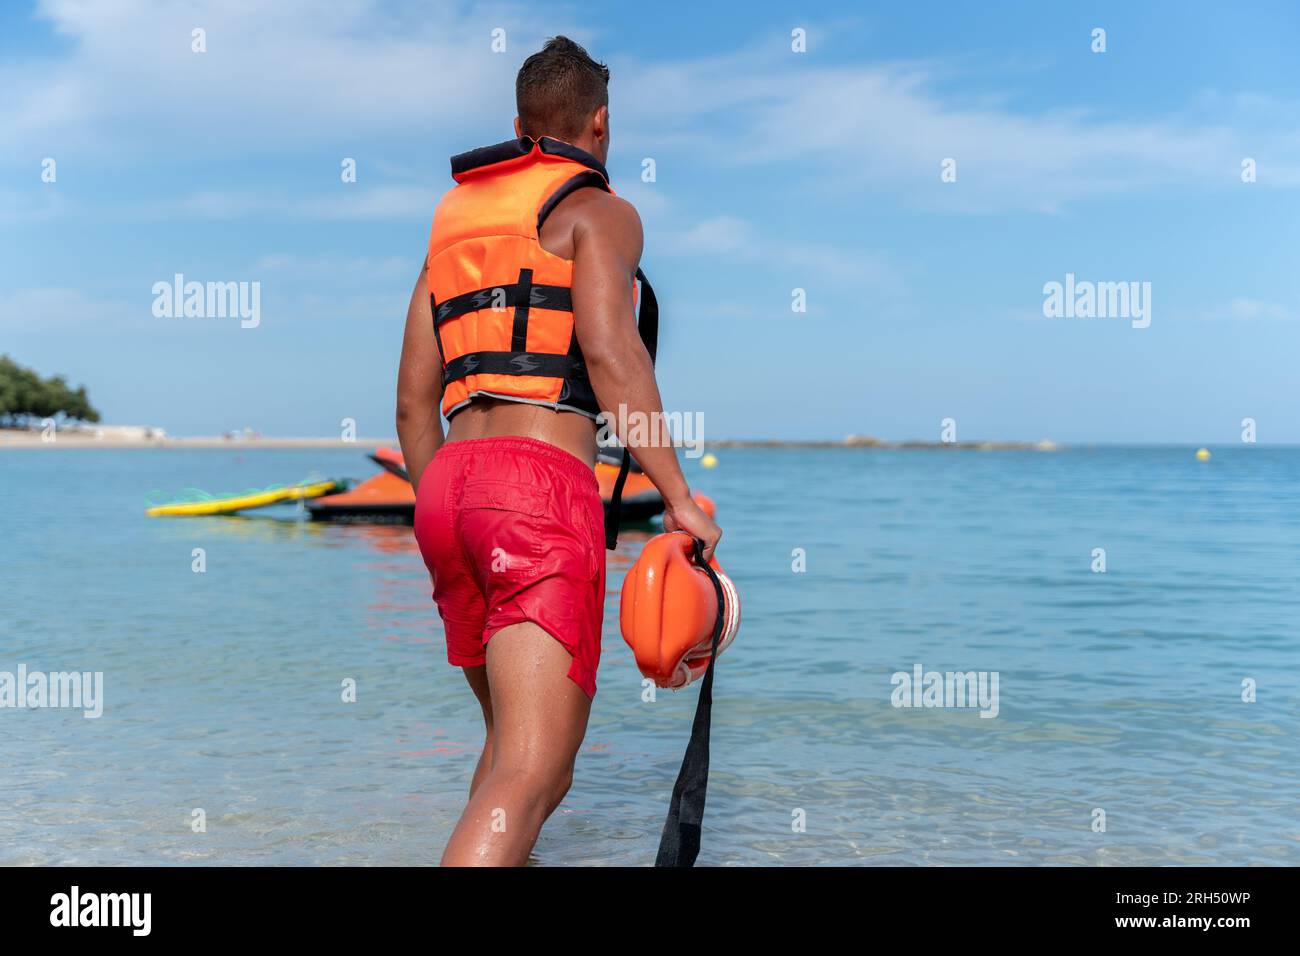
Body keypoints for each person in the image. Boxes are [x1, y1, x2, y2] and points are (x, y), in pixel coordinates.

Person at [396, 36, 721, 867]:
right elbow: (615, 356)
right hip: (537, 490)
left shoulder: (454, 225)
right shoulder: (602, 214)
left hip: (444, 494)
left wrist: (454, 506)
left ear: (518, 125)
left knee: (508, 748)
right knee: (536, 776)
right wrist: (678, 495)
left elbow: (411, 403)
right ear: (602, 123)